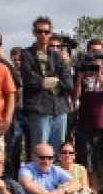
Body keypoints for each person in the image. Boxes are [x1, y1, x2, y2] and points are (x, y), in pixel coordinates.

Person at [18, 16, 74, 155]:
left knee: (59, 154)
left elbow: (68, 83)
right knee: (40, 153)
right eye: (39, 31)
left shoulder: (57, 56)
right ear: (34, 33)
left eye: (46, 32)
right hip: (39, 110)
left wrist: (43, 81)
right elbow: (29, 79)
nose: (43, 35)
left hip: (59, 109)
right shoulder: (26, 54)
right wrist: (49, 81)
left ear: (50, 33)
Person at [73, 38, 103, 183]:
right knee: (89, 163)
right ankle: (92, 191)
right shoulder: (82, 72)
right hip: (86, 124)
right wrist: (80, 76)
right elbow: (75, 97)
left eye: (99, 52)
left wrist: (98, 74)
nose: (96, 55)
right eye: (93, 52)